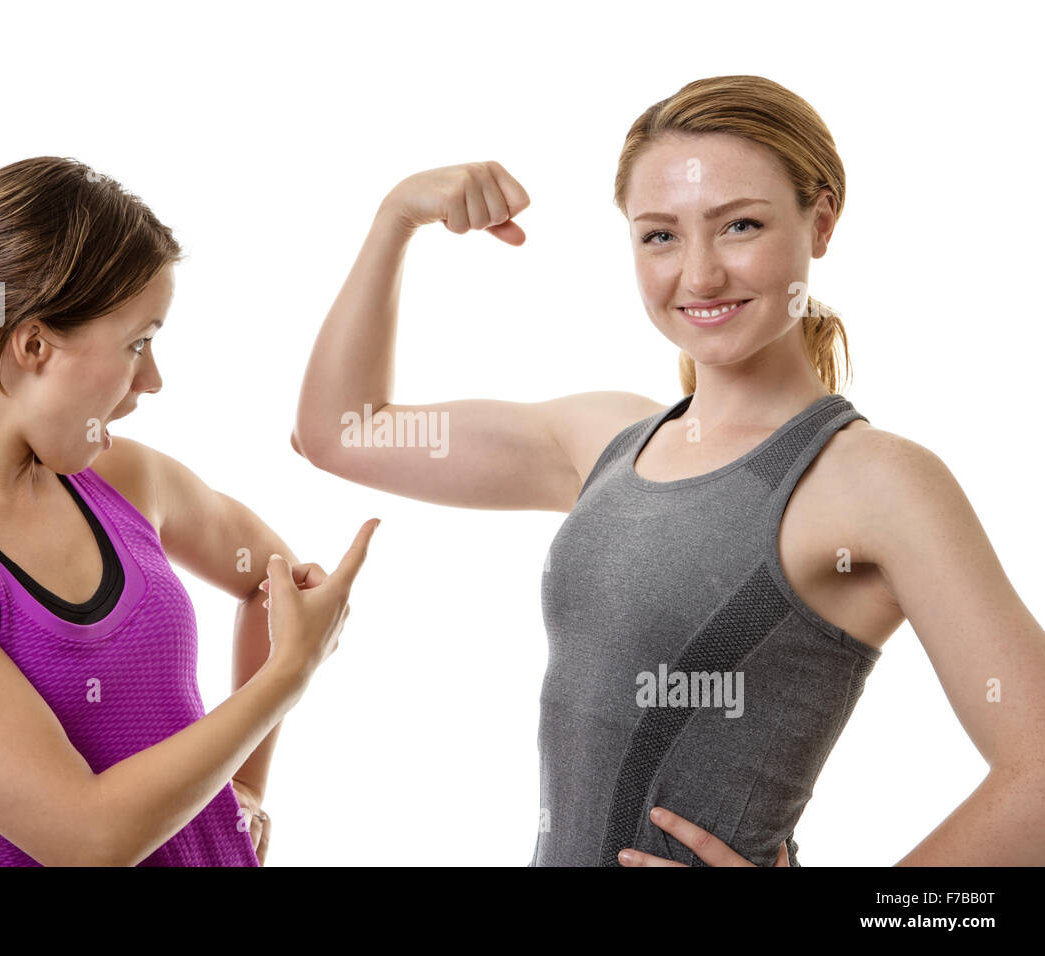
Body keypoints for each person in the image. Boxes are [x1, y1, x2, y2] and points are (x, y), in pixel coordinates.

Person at [290, 75, 1045, 866]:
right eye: (660, 236)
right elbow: (338, 433)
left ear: (819, 223)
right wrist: (396, 218)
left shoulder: (874, 481)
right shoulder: (606, 439)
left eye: (740, 225)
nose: (700, 275)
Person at [0, 156, 378, 866]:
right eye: (138, 342)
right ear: (34, 344)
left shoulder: (121, 478)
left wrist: (244, 791)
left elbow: (278, 583)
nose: (153, 379)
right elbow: (88, 839)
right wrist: (285, 678)